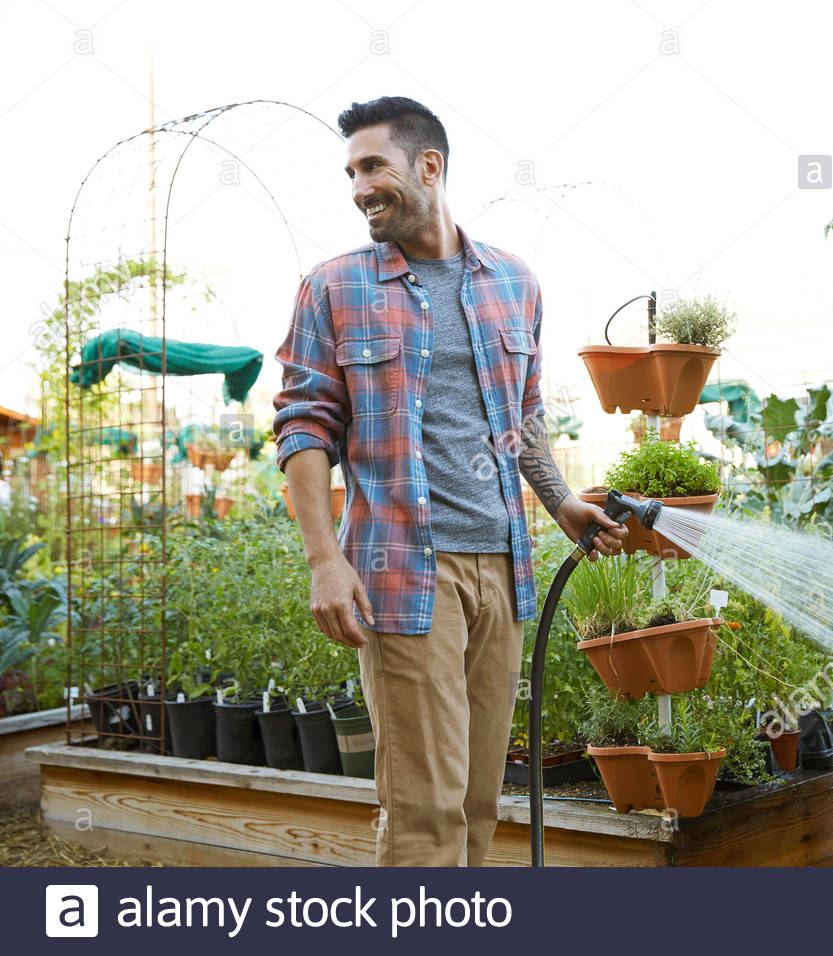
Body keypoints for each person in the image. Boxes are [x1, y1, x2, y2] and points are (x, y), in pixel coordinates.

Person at [271, 96, 627, 867]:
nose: (360, 187)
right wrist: (323, 560)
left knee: (476, 803)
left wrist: (557, 498)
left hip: (500, 569)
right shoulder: (334, 287)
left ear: (429, 166)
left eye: (374, 166)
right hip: (403, 576)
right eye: (352, 172)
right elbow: (304, 426)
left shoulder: (513, 282)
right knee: (425, 809)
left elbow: (523, 416)